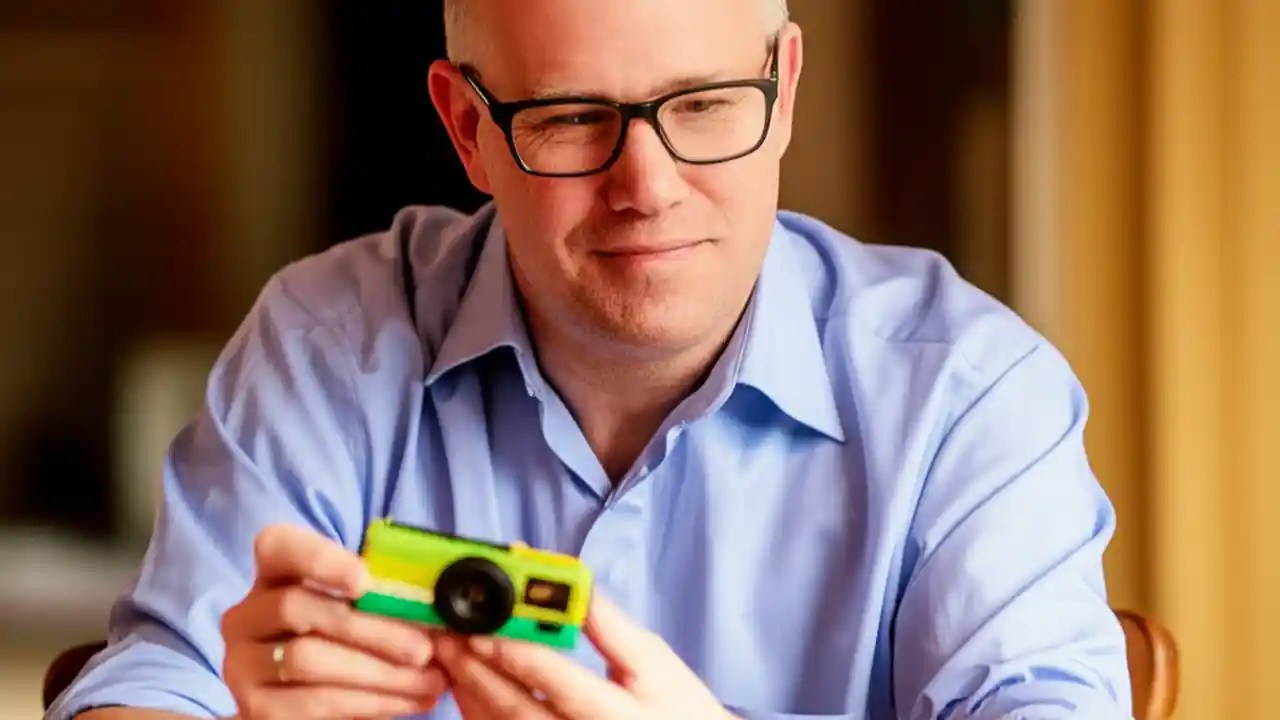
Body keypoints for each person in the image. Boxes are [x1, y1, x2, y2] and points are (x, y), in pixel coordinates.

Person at [49, 0, 1133, 718]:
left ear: (784, 90)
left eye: (705, 105)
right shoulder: (329, 348)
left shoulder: (968, 396)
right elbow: (154, 679)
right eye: (571, 119)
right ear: (465, 127)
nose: (647, 186)